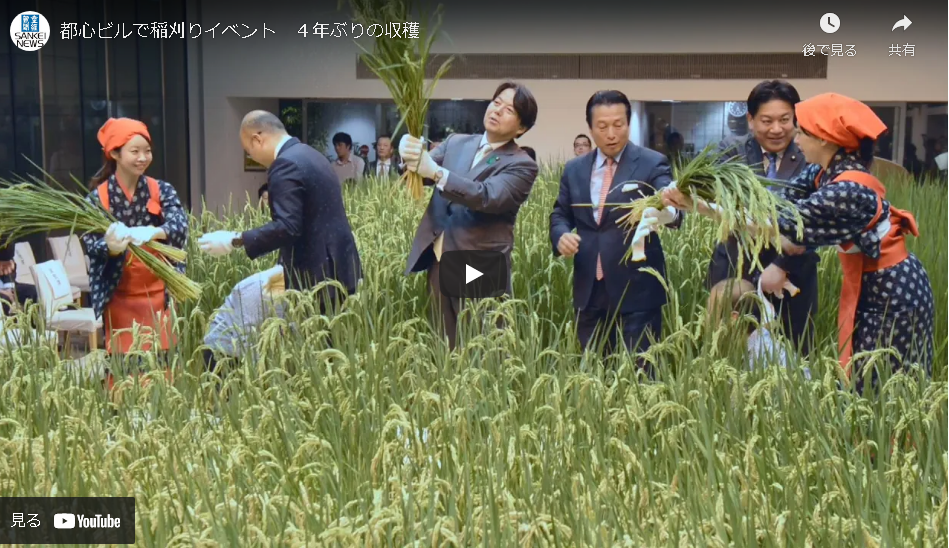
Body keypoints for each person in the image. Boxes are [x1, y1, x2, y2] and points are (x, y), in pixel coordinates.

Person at [664, 93, 935, 393]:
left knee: (884, 379)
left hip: (892, 291)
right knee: (862, 370)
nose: (795, 136)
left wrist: (699, 206)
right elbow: (771, 205)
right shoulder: (820, 171)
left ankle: (897, 440)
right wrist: (705, 194)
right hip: (869, 279)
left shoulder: (847, 190)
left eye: (802, 131)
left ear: (826, 140)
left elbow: (776, 221)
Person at [399, 81, 539, 349]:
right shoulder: (456, 142)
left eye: (508, 109)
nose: (497, 110)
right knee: (444, 342)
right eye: (496, 102)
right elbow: (419, 172)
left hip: (479, 264)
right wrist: (408, 157)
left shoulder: (521, 164)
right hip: (439, 256)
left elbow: (486, 196)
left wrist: (437, 173)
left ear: (521, 128)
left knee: (481, 345)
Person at [549, 90, 681, 362]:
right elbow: (560, 214)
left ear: (628, 124)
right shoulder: (574, 169)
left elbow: (671, 208)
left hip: (637, 288)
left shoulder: (651, 162)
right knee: (592, 376)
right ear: (590, 128)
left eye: (618, 125)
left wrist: (669, 207)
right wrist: (561, 235)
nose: (611, 133)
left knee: (640, 373)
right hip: (589, 289)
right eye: (602, 126)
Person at [198, 111, 362, 317]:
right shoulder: (312, 155)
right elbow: (312, 221)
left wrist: (234, 240)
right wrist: (282, 269)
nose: (253, 158)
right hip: (342, 268)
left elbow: (288, 227)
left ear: (257, 139)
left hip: (317, 279)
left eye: (249, 151)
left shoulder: (284, 165)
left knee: (313, 345)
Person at [709, 80, 818, 356]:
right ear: (750, 119)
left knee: (790, 363)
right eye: (766, 120)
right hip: (735, 273)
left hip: (791, 278)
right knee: (729, 358)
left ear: (796, 118)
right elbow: (717, 202)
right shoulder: (730, 152)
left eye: (784, 120)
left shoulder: (810, 156)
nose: (776, 129)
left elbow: (814, 222)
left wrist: (782, 265)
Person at [80, 118, 189, 381]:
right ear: (115, 153)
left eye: (147, 151)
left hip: (158, 293)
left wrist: (154, 232)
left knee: (161, 364)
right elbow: (88, 241)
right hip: (119, 294)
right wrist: (110, 247)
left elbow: (180, 224)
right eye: (135, 151)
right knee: (123, 365)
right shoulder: (98, 198)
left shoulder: (161, 189)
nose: (143, 158)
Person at [707, 278, 811, 379]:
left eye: (710, 311)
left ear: (734, 318)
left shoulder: (760, 356)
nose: (705, 318)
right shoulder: (749, 345)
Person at [202, 265, 287, 370]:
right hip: (224, 355)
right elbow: (246, 344)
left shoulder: (302, 287)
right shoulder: (259, 289)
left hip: (261, 350)